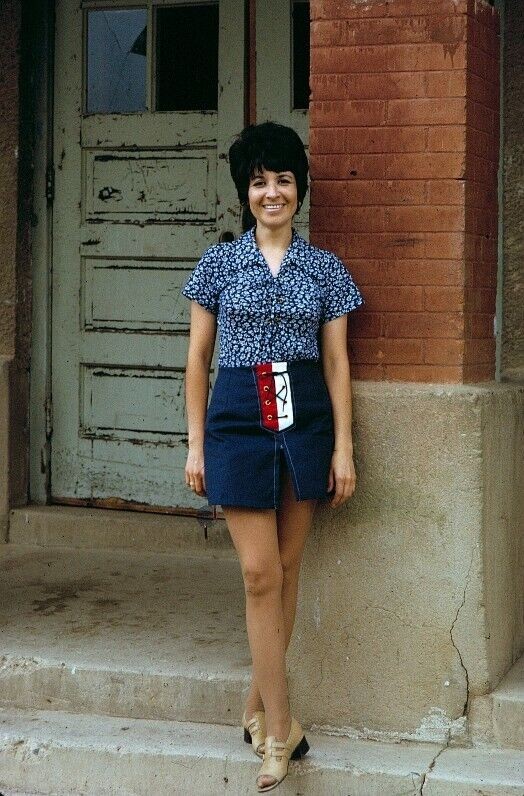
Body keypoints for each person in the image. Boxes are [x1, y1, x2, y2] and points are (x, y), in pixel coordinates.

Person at [182, 121, 363, 792]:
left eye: (283, 179)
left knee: (287, 569)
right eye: (259, 181)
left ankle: (255, 708)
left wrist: (342, 449)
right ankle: (281, 734)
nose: (272, 192)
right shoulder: (219, 264)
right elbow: (197, 360)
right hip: (236, 418)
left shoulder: (326, 269)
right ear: (245, 192)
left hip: (306, 421)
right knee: (260, 574)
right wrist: (197, 441)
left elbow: (339, 364)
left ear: (300, 188)